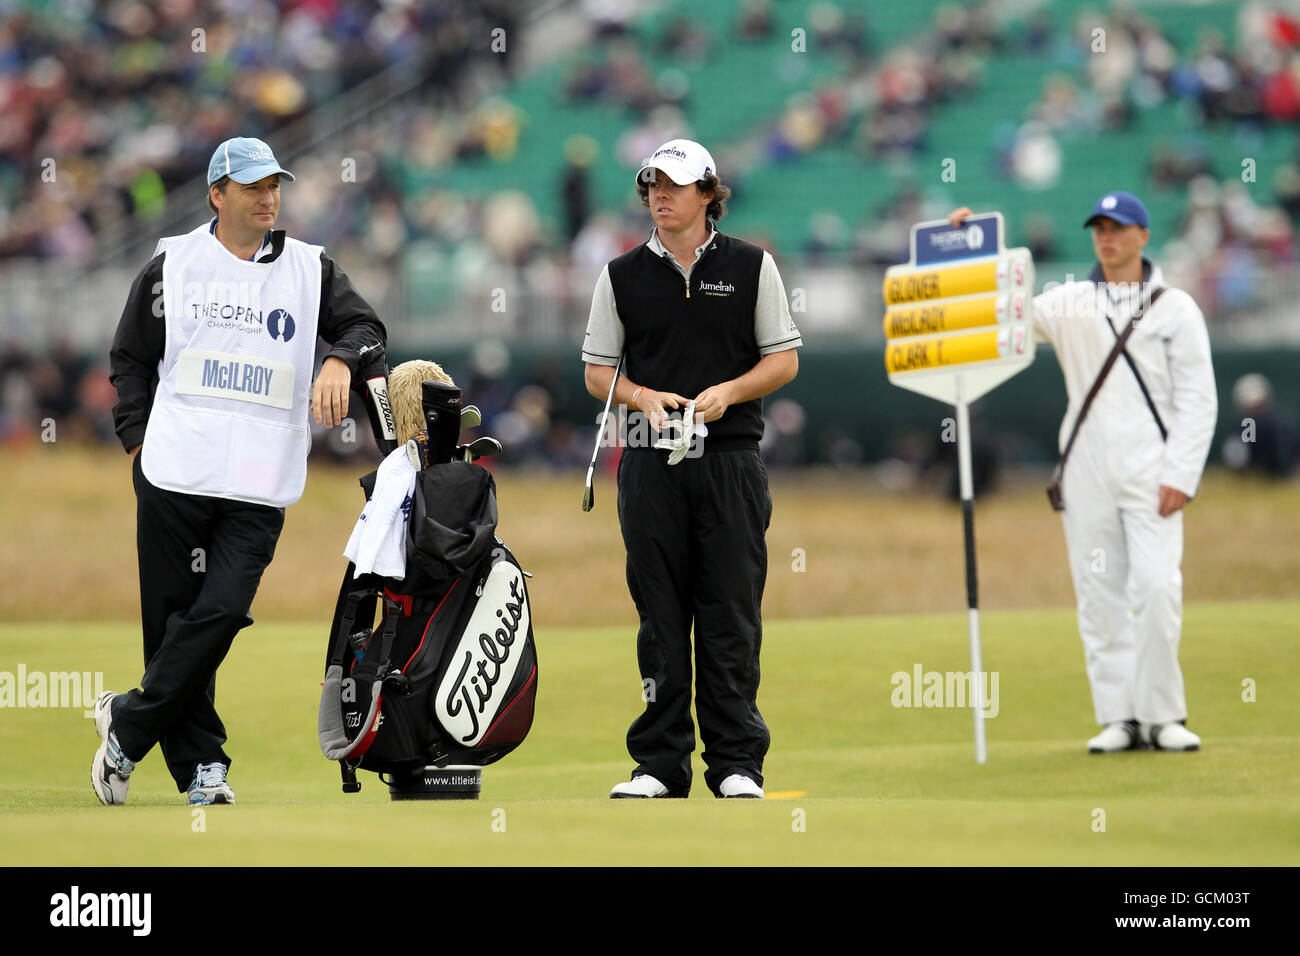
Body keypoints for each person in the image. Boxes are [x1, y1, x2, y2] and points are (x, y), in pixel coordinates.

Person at [97, 137, 388, 806]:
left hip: (259, 483)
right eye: (254, 186)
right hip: (173, 473)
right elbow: (129, 358)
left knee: (222, 612)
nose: (269, 197)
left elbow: (368, 328)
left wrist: (340, 359)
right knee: (174, 625)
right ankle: (204, 767)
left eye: (275, 185)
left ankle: (128, 725)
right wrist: (139, 446)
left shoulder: (310, 270)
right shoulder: (173, 263)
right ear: (217, 194)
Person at [949, 192, 1217, 753]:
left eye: (1118, 227)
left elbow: (1199, 399)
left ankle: (1164, 714)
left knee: (1156, 588)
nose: (1106, 236)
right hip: (1086, 468)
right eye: (1098, 227)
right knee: (1099, 595)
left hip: (1153, 470)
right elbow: (1012, 302)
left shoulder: (1176, 308)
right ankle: (1118, 717)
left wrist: (1182, 474)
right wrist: (978, 245)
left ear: (1143, 235)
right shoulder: (1070, 301)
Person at [581, 139, 802, 798]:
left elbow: (784, 360)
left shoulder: (752, 265)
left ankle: (736, 764)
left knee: (730, 613)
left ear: (709, 191)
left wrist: (730, 391)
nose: (660, 195)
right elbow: (597, 372)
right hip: (650, 465)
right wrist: (640, 396)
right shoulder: (620, 274)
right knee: (660, 617)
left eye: (675, 185)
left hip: (730, 459)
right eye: (651, 184)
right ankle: (659, 765)